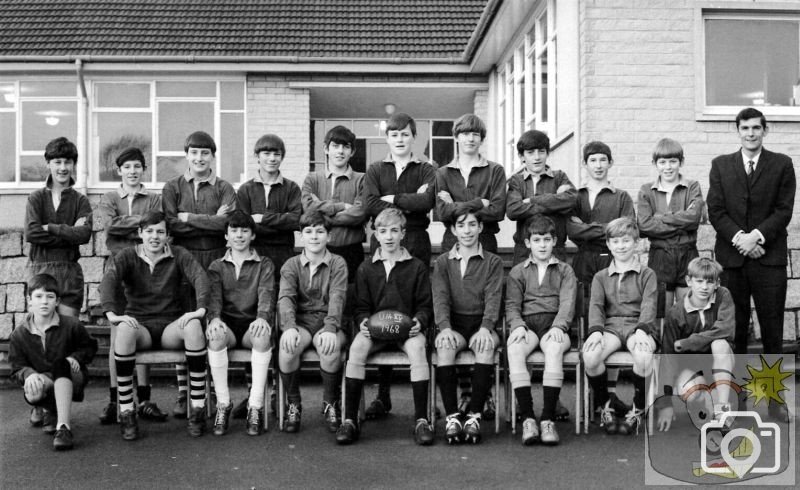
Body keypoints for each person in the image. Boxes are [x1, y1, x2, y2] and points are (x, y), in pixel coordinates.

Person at [99, 211, 210, 440]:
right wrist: (112, 314)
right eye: (149, 231)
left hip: (170, 325)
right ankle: (128, 411)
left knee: (194, 327)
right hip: (142, 327)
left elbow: (199, 276)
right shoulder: (127, 255)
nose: (154, 236)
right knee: (124, 329)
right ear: (140, 233)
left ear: (168, 235)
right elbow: (109, 278)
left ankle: (197, 407)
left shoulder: (178, 254)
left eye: (160, 231)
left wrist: (200, 309)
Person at [336, 208, 434, 445]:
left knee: (419, 349)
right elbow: (360, 306)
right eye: (383, 231)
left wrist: (419, 321)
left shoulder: (417, 266)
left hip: (406, 328)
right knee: (357, 348)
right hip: (377, 329)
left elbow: (425, 305)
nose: (388, 236)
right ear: (376, 235)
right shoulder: (366, 267)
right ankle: (350, 420)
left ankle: (422, 420)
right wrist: (363, 322)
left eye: (393, 231)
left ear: (403, 233)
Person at [362, 112, 436, 419]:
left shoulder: (427, 168)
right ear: (387, 138)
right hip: (383, 243)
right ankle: (382, 394)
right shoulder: (376, 169)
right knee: (384, 310)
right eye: (394, 134)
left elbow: (427, 203)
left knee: (415, 310)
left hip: (417, 240)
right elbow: (369, 204)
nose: (400, 139)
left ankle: (428, 398)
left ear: (413, 137)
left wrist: (391, 198)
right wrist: (407, 199)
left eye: (405, 134)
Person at [707, 107, 796, 355]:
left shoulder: (782, 164)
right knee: (733, 330)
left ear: (765, 130)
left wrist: (755, 237)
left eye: (756, 127)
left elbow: (783, 210)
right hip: (732, 262)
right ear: (738, 131)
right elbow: (715, 210)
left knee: (772, 329)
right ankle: (735, 391)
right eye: (745, 128)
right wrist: (740, 240)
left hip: (769, 260)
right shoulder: (721, 165)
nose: (751, 133)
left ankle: (773, 393)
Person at [161, 131, 236, 418]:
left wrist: (189, 218)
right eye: (194, 152)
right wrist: (210, 220)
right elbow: (170, 225)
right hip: (182, 260)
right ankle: (185, 393)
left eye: (205, 153)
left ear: (212, 156)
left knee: (215, 322)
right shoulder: (172, 187)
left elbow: (225, 226)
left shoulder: (224, 187)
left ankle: (217, 393)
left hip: (216, 258)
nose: (199, 158)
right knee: (186, 321)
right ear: (187, 155)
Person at [96, 147, 166, 425]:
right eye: (127, 167)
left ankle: (145, 399)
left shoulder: (154, 198)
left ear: (143, 170)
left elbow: (157, 226)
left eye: (138, 166)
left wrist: (125, 224)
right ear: (119, 170)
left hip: (144, 270)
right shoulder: (109, 197)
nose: (133, 171)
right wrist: (139, 223)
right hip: (117, 270)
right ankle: (117, 400)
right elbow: (107, 226)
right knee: (118, 337)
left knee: (142, 327)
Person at [234, 133, 301, 418]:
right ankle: (253, 392)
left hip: (284, 259)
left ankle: (278, 393)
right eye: (266, 153)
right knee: (256, 324)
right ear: (257, 157)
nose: (272, 158)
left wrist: (263, 219)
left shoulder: (292, 187)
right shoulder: (246, 190)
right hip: (255, 261)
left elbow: (296, 219)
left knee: (280, 323)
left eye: (276, 153)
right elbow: (242, 224)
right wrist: (269, 222)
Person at [567, 141, 635, 410]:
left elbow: (626, 229)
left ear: (610, 163)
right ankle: (595, 396)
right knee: (588, 322)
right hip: (583, 260)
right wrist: (607, 228)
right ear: (585, 164)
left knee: (613, 319)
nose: (598, 165)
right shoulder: (576, 196)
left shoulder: (621, 197)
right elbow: (572, 231)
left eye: (602, 160)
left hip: (613, 261)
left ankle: (608, 395)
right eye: (592, 160)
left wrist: (590, 228)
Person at [432, 210, 503, 444]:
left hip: (482, 322)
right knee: (444, 347)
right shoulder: (443, 262)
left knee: (485, 346)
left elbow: (493, 298)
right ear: (453, 230)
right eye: (461, 225)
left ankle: (474, 415)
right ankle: (453, 416)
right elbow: (440, 297)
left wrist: (486, 327)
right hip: (454, 323)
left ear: (481, 227)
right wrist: (444, 327)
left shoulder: (493, 261)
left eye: (472, 224)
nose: (467, 230)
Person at [582, 217, 657, 436]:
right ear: (608, 245)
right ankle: (607, 405)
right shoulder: (600, 277)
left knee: (643, 357)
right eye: (615, 241)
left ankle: (638, 408)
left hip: (637, 327)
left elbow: (649, 304)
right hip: (611, 328)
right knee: (590, 356)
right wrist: (595, 331)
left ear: (636, 243)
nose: (621, 246)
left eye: (626, 241)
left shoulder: (647, 274)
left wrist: (643, 328)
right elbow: (595, 306)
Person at [505, 215, 576, 446]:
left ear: (554, 241)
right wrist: (517, 325)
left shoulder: (565, 270)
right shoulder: (518, 272)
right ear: (528, 243)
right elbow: (512, 305)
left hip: (554, 324)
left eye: (547, 239)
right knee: (514, 348)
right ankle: (527, 418)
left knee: (554, 348)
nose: (542, 245)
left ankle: (547, 419)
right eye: (537, 240)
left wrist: (559, 326)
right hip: (528, 326)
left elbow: (567, 303)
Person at [277, 210, 348, 434]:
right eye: (308, 231)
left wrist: (330, 328)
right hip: (302, 322)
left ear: (329, 236)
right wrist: (288, 327)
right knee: (287, 348)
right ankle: (294, 403)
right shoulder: (291, 265)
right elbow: (286, 298)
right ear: (301, 236)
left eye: (320, 231)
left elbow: (338, 296)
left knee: (330, 347)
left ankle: (330, 402)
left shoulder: (338, 263)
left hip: (329, 322)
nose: (314, 236)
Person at [205, 210, 275, 436]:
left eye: (245, 231)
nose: (239, 235)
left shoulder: (264, 263)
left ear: (252, 235)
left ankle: (255, 406)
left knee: (263, 335)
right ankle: (223, 404)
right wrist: (214, 318)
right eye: (234, 230)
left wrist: (263, 317)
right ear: (226, 235)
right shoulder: (216, 266)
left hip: (251, 324)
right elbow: (213, 297)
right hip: (228, 325)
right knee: (215, 336)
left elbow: (266, 293)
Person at [9, 274, 97, 450]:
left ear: (57, 301)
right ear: (29, 300)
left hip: (71, 376)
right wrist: (29, 375)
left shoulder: (72, 325)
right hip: (45, 380)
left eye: (50, 297)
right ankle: (49, 408)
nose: (44, 302)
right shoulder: (19, 335)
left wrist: (75, 357)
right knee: (34, 391)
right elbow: (16, 368)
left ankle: (63, 428)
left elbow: (90, 347)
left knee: (60, 364)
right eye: (39, 296)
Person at [656, 257, 735, 432]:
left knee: (720, 344)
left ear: (717, 283)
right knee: (687, 390)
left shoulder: (723, 295)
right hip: (693, 367)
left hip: (721, 362)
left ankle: (722, 409)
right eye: (699, 281)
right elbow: (668, 356)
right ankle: (703, 400)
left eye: (710, 282)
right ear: (689, 281)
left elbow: (725, 330)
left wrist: (688, 342)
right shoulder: (676, 312)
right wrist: (665, 404)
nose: (704, 287)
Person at [23, 136, 92, 320]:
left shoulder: (80, 201)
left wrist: (50, 228)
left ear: (73, 164)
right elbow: (32, 233)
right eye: (57, 162)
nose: (63, 168)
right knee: (41, 332)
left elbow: (84, 235)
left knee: (68, 332)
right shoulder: (36, 198)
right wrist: (69, 233)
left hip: (69, 273)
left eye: (68, 162)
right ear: (48, 164)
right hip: (40, 270)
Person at [637, 138, 704, 308]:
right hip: (660, 256)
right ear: (655, 163)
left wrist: (661, 218)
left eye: (673, 161)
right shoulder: (646, 190)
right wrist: (681, 224)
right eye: (663, 162)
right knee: (661, 311)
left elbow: (694, 218)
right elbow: (644, 225)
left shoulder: (692, 187)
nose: (668, 167)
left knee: (688, 309)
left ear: (681, 162)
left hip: (687, 254)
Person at [435, 113, 506, 253]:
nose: (471, 139)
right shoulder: (443, 173)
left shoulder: (495, 170)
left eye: (475, 134)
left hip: (485, 240)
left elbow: (497, 211)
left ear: (482, 140)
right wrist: (479, 203)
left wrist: (453, 205)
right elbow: (442, 213)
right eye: (466, 133)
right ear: (456, 137)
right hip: (452, 241)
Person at [506, 130, 577, 265]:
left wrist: (533, 200)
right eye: (530, 152)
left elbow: (571, 200)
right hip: (524, 251)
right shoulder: (517, 181)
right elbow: (513, 210)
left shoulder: (559, 177)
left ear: (547, 153)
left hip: (555, 249)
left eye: (541, 151)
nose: (537, 157)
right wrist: (554, 202)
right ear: (521, 156)